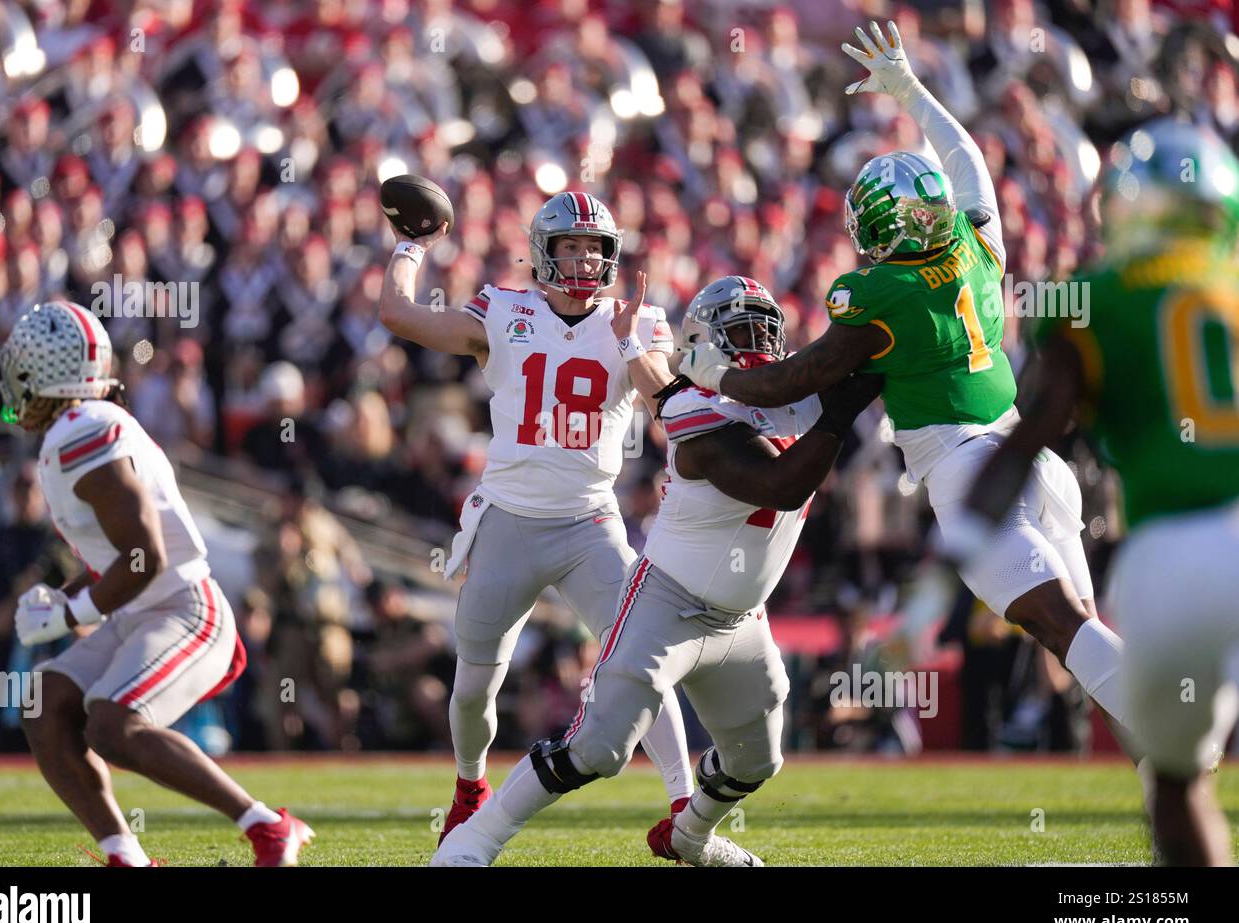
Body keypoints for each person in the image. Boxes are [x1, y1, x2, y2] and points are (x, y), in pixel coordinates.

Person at [680, 22, 1136, 756]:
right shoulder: (978, 243)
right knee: (1077, 636)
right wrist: (912, 90)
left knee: (1069, 632)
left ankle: (1179, 736)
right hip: (1034, 462)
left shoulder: (879, 294)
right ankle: (1174, 796)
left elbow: (797, 380)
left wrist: (715, 375)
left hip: (969, 474)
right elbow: (967, 159)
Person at [432, 277, 882, 866]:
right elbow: (784, 483)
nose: (756, 341)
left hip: (742, 618)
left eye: (762, 327)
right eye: (738, 331)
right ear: (704, 344)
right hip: (667, 603)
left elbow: (665, 382)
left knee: (757, 758)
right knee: (598, 749)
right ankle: (474, 840)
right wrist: (841, 410)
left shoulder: (778, 392)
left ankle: (688, 836)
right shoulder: (702, 409)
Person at [955, 119, 1239, 865]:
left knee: (1176, 782)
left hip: (1175, 555)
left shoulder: (1097, 297)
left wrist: (957, 535)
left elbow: (1030, 436)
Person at [379, 190, 695, 844]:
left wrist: (631, 342)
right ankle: (470, 786)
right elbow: (400, 316)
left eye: (594, 247)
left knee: (642, 659)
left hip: (590, 524)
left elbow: (670, 412)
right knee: (473, 686)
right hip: (508, 521)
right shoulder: (503, 309)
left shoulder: (638, 319)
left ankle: (683, 805)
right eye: (571, 246)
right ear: (543, 253)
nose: (584, 258)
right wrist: (412, 248)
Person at [2, 302, 312, 867]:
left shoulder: (83, 432)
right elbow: (116, 554)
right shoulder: (76, 432)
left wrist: (72, 615)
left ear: (42, 374)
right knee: (44, 703)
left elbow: (145, 556)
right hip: (139, 612)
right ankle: (125, 855)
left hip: (183, 607)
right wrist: (66, 597)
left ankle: (269, 825)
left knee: (113, 722)